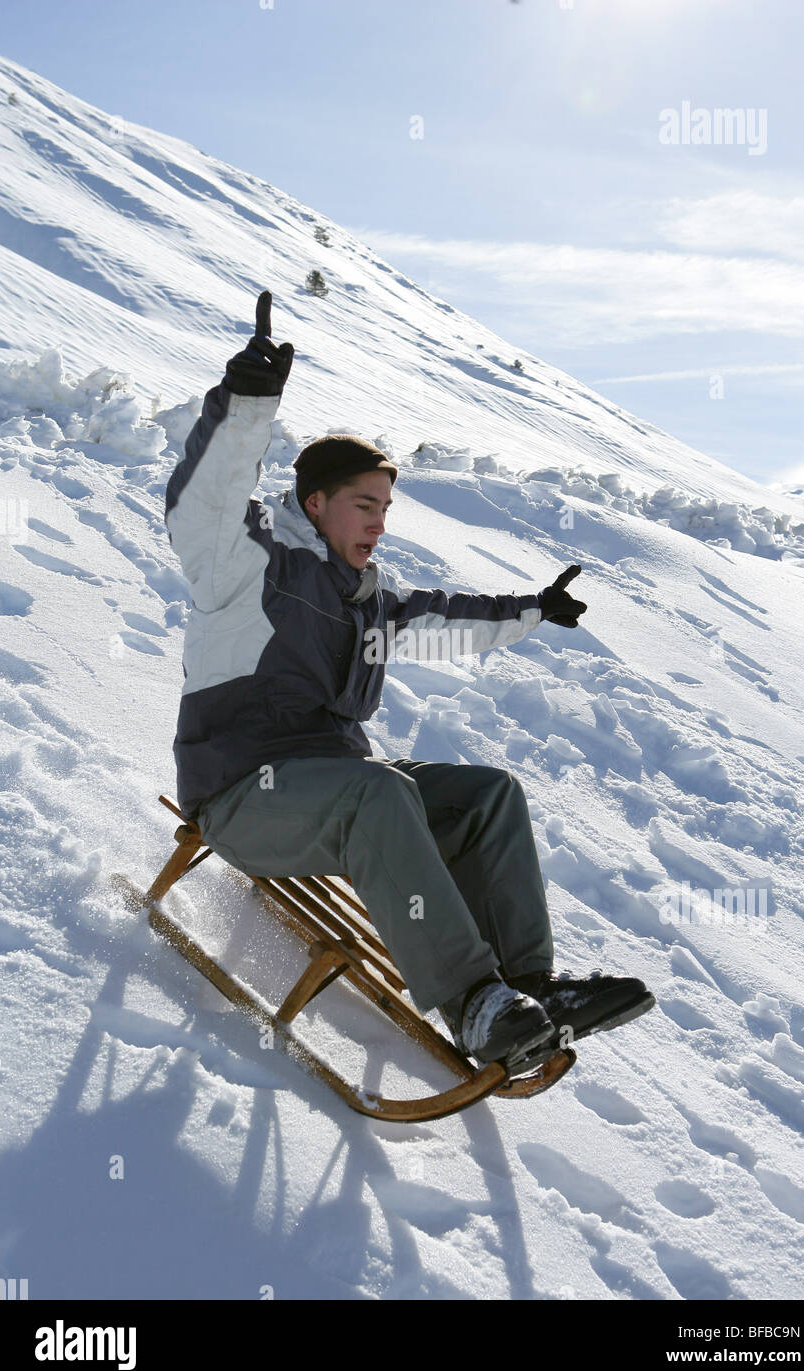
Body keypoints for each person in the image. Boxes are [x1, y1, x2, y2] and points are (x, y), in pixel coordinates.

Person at [164, 292, 654, 1077]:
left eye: (386, 507)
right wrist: (249, 400)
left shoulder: (367, 603)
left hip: (331, 796)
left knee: (489, 795)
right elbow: (204, 499)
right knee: (379, 792)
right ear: (314, 502)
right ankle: (474, 1005)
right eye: (364, 504)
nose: (379, 522)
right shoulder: (245, 566)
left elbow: (446, 620)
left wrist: (532, 608)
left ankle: (526, 990)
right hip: (241, 798)